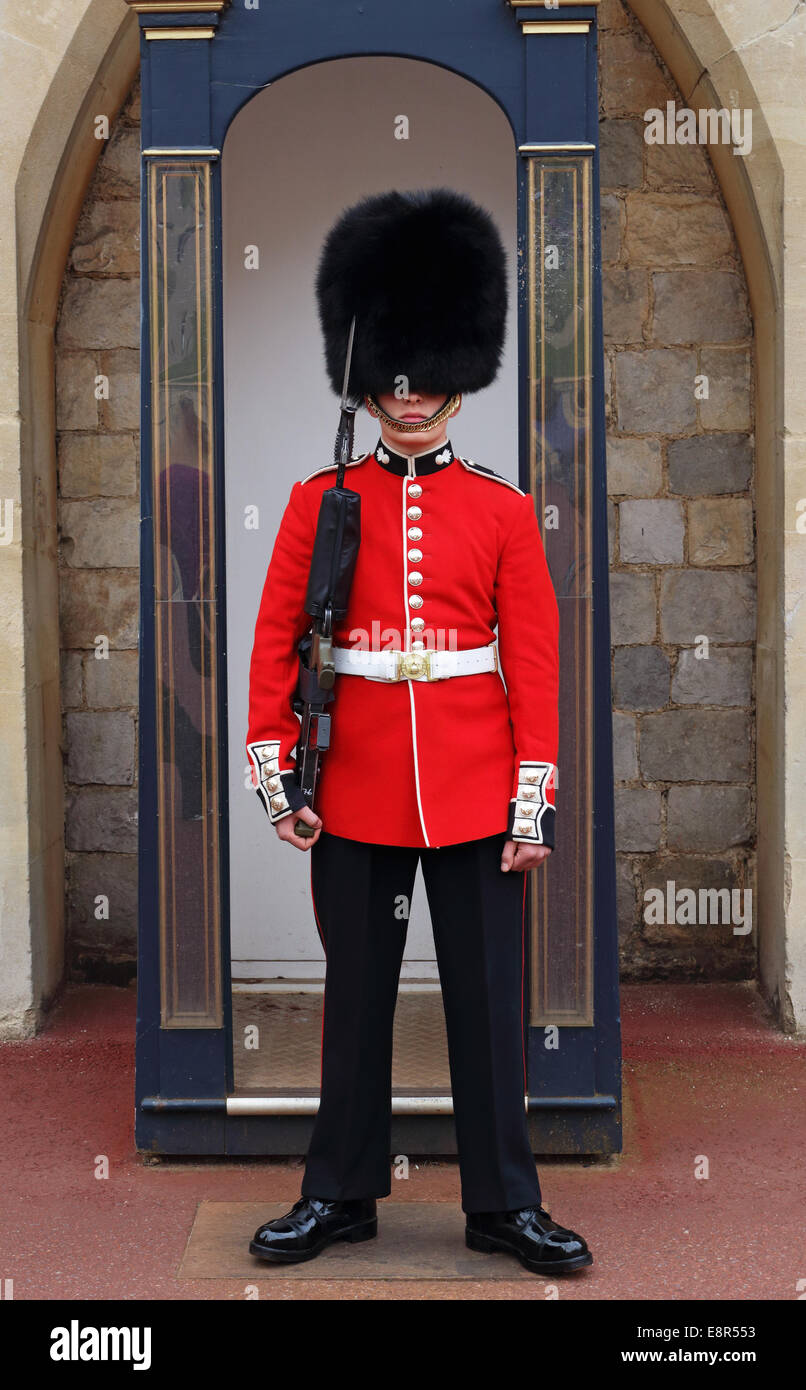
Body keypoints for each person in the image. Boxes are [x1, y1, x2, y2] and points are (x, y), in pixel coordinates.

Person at [245, 188, 592, 1276]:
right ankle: (339, 1194)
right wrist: (277, 779)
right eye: (395, 377)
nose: (410, 398)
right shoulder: (318, 499)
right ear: (372, 378)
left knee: (486, 1006)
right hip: (352, 787)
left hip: (476, 787)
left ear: (457, 377)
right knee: (355, 1003)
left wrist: (529, 800)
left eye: (430, 376)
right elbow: (274, 642)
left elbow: (532, 664)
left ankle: (501, 1205)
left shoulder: (498, 508)